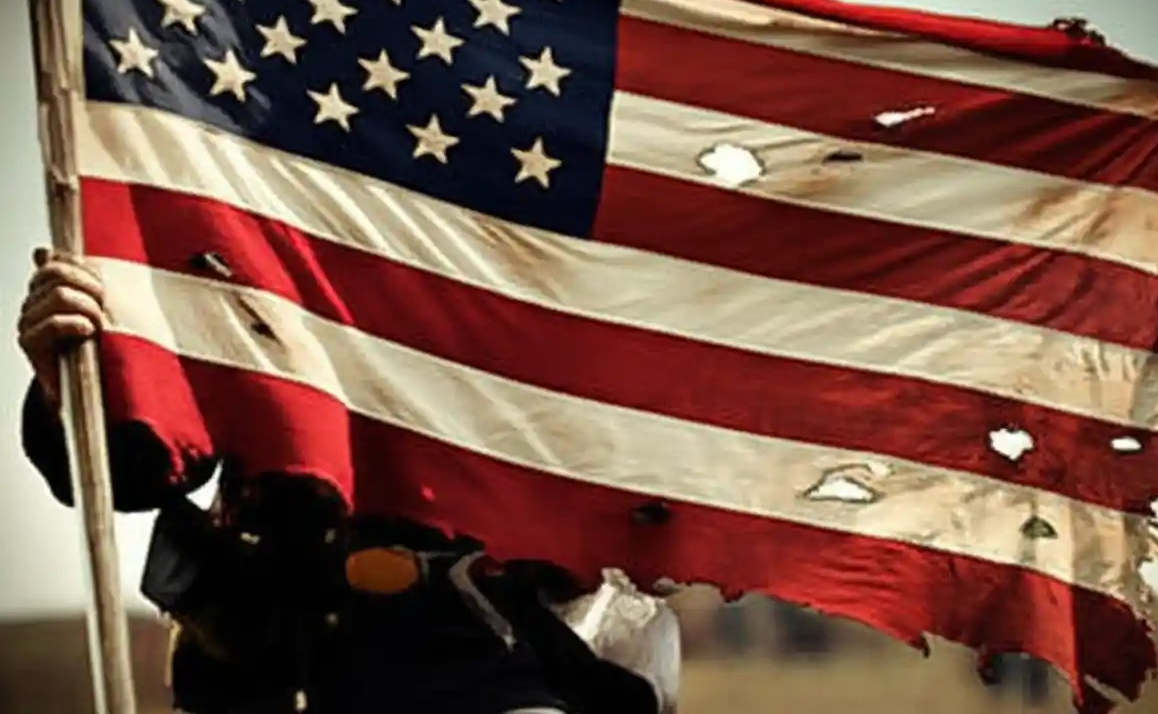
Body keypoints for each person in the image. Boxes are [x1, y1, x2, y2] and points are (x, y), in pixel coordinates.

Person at [18, 248, 678, 714]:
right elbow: (127, 466)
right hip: (273, 661)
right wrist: (67, 379)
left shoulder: (545, 250)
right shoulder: (242, 224)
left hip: (489, 658)